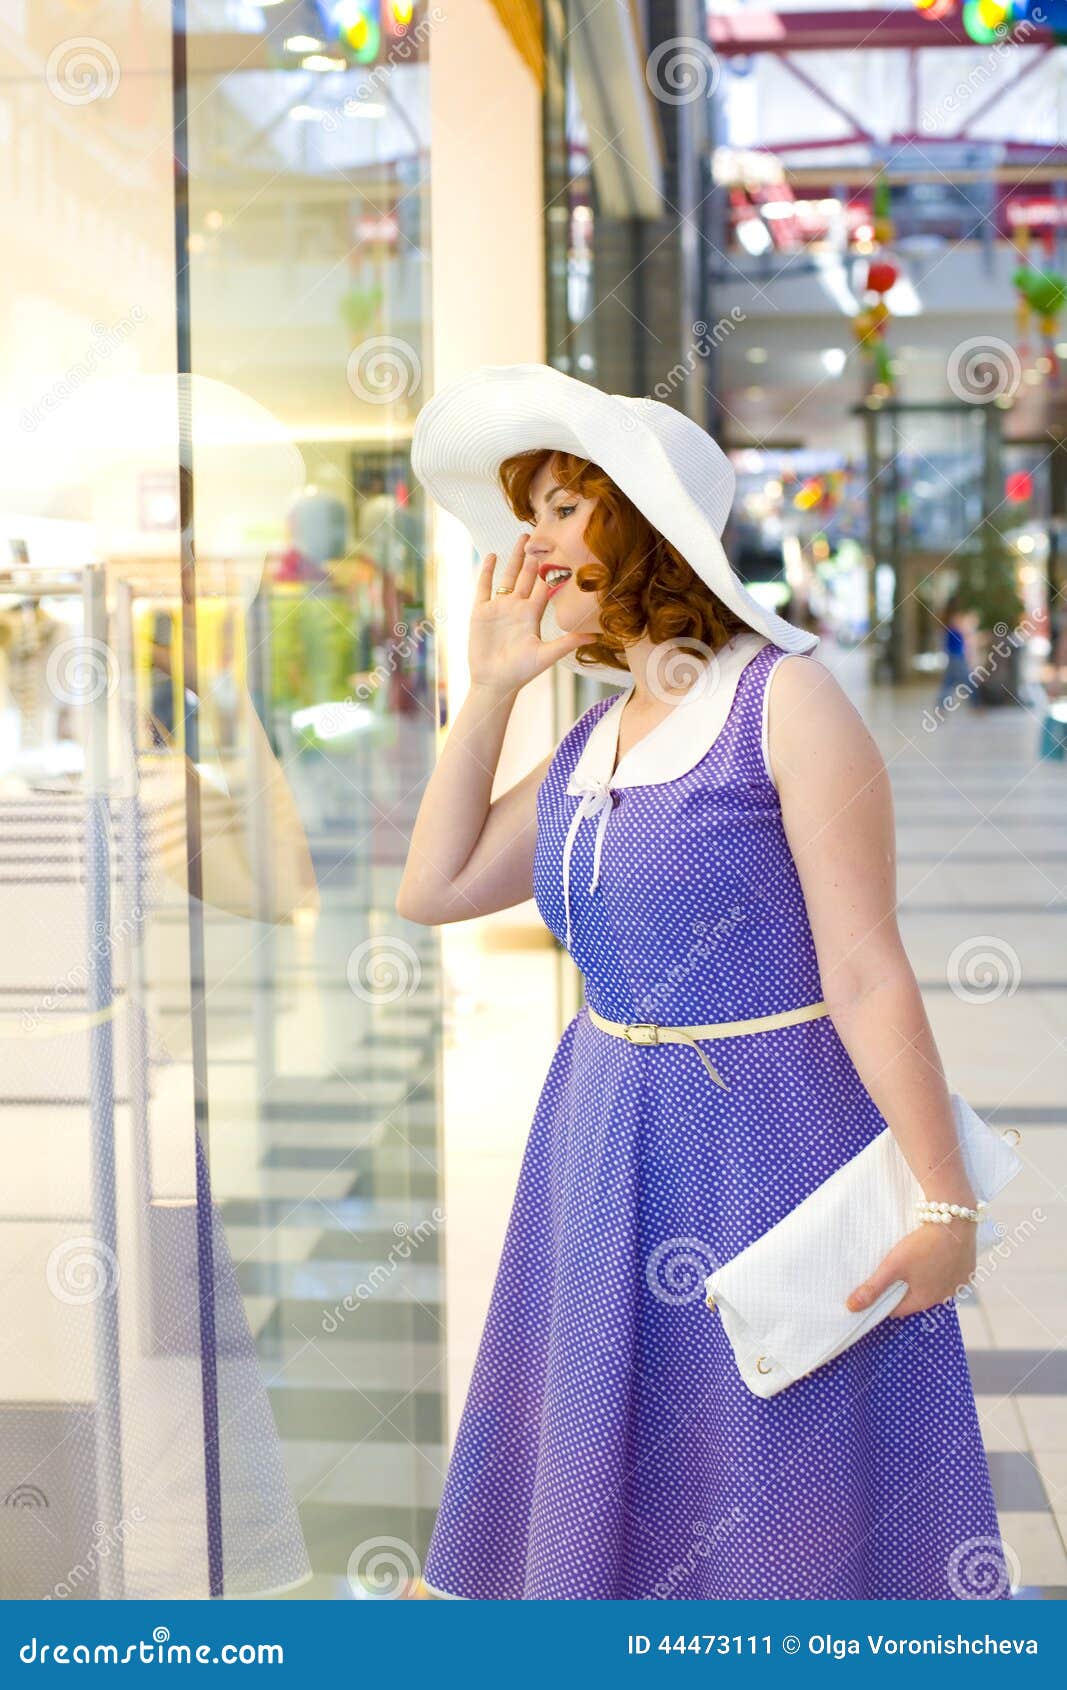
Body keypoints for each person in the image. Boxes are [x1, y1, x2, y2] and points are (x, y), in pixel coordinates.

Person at [397, 364, 1010, 1601]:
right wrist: (494, 687)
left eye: (564, 506)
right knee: (615, 1480)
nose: (534, 538)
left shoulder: (779, 701)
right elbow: (437, 885)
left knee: (770, 1473)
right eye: (533, 509)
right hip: (598, 1140)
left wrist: (945, 1207)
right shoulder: (596, 734)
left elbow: (863, 965)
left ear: (643, 523)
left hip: (763, 1144)